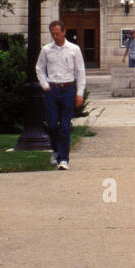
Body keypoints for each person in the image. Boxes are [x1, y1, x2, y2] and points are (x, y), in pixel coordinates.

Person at [36, 19, 86, 170]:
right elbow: (39, 68)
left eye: (58, 33)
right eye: (53, 34)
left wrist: (79, 93)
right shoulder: (46, 50)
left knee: (64, 126)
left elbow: (80, 72)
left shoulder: (74, 49)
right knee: (51, 124)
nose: (55, 36)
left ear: (64, 32)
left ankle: (64, 159)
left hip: (68, 90)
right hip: (52, 90)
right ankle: (55, 150)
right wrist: (45, 85)